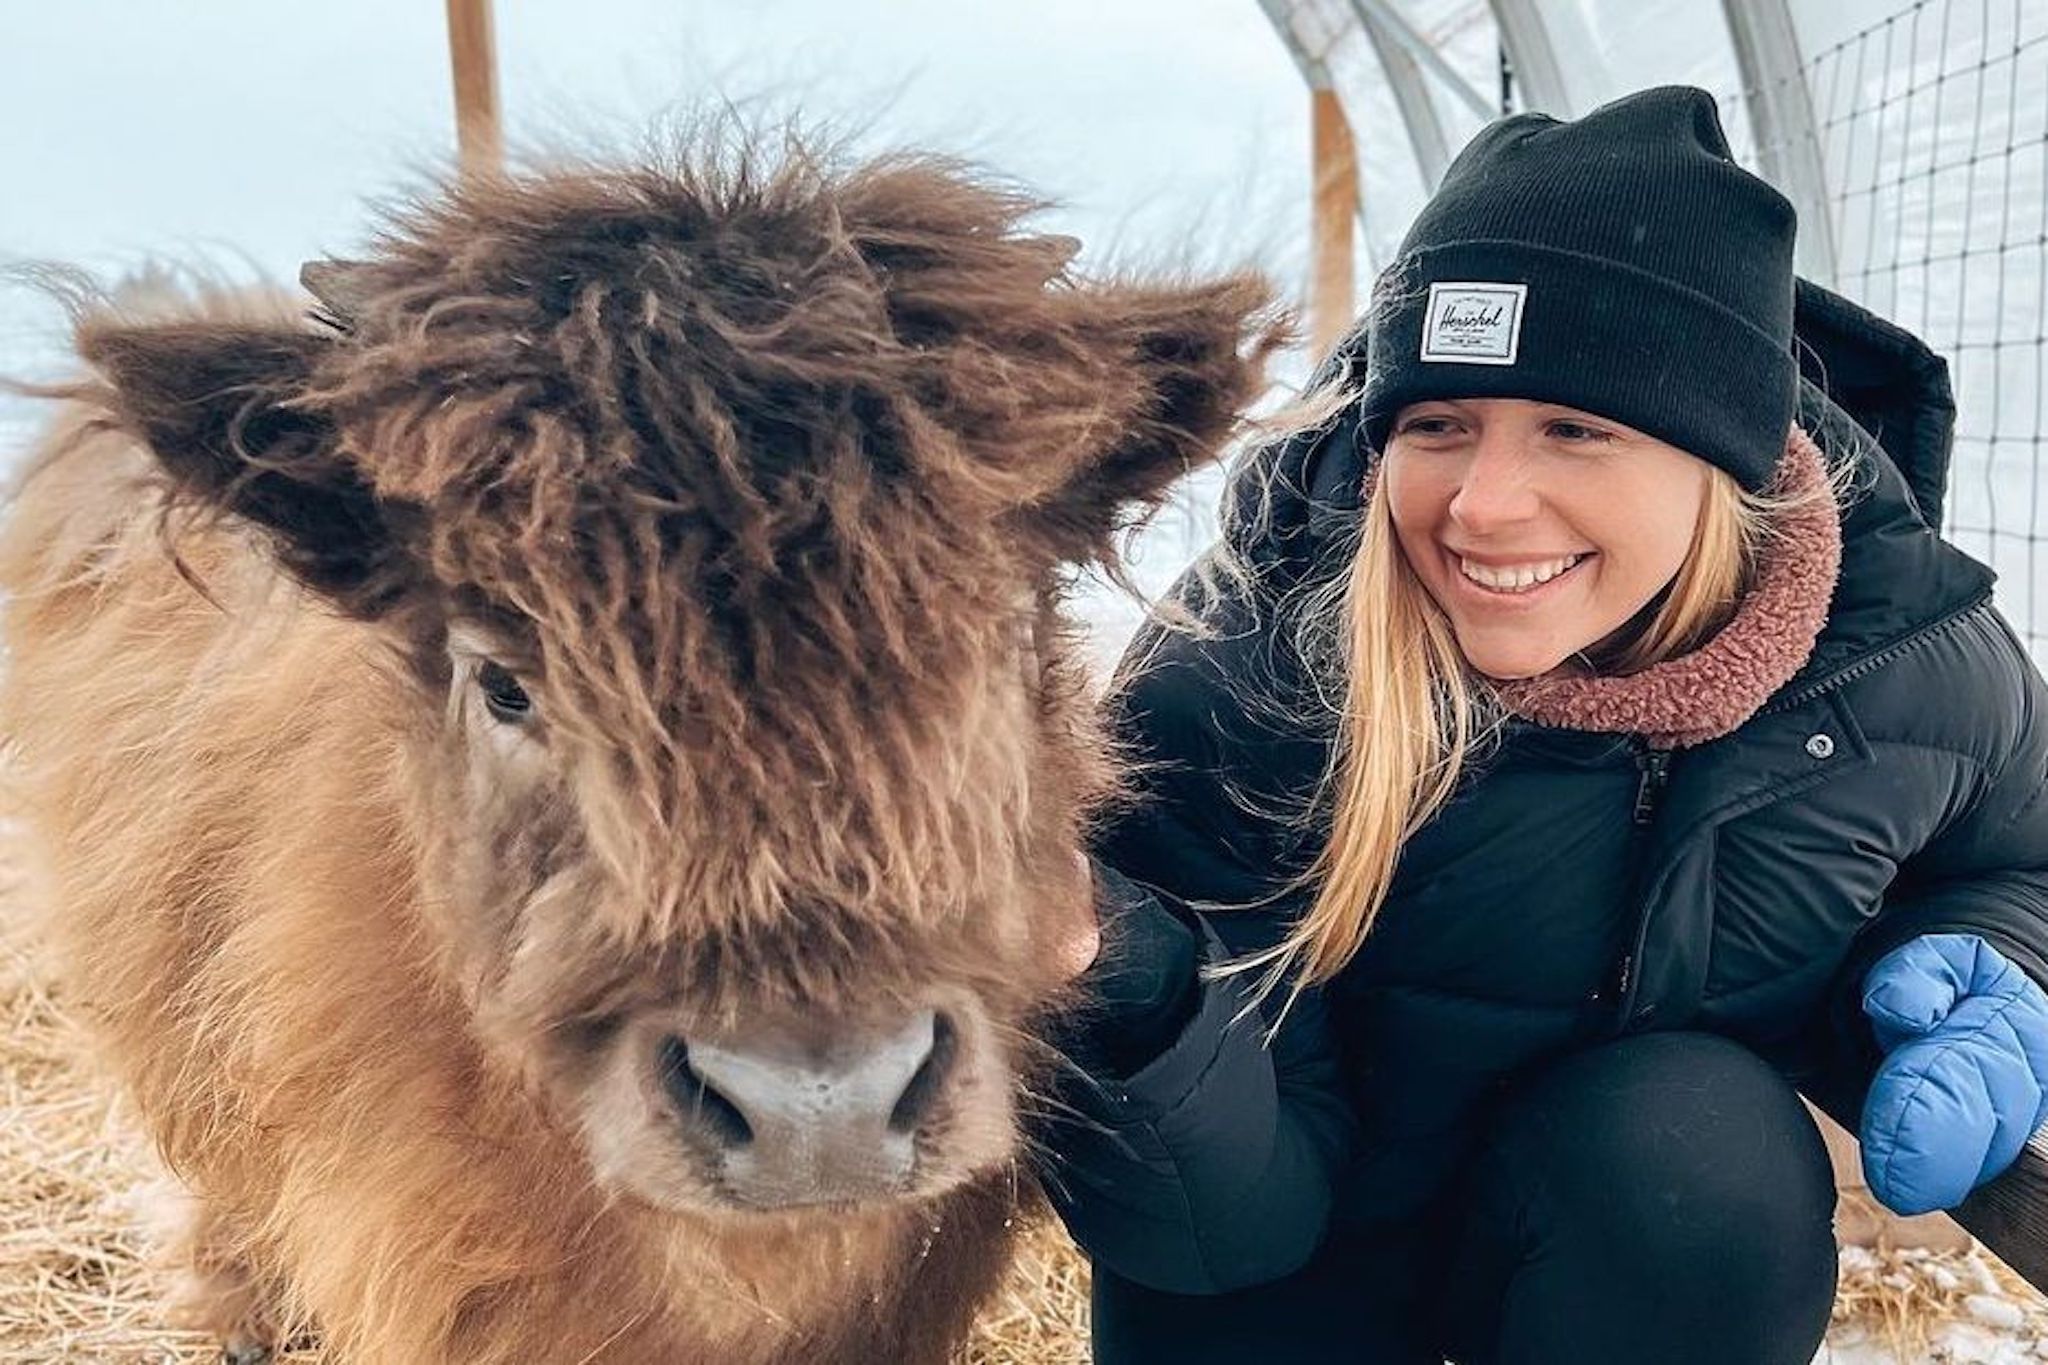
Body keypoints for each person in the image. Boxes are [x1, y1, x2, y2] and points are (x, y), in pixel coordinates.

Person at [1039, 85, 2048, 1365]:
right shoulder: (1245, 674)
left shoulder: (1893, 654)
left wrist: (1992, 964)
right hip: (1283, 1255)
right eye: (1436, 424)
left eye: (1574, 428)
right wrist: (1132, 989)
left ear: (1721, 455)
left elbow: (2016, 854)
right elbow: (1216, 1236)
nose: (1480, 504)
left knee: (1701, 1151)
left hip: (1613, 1248)